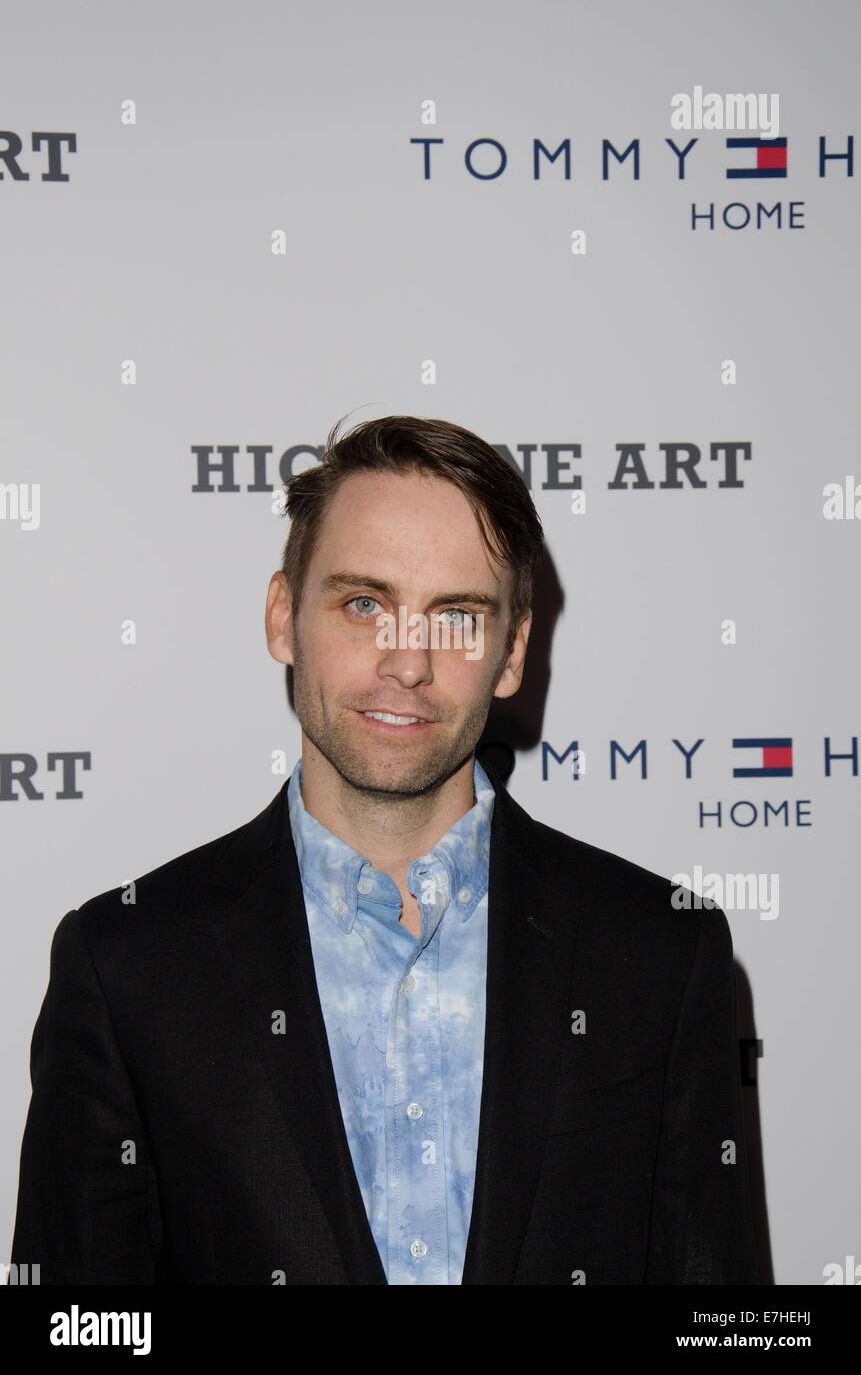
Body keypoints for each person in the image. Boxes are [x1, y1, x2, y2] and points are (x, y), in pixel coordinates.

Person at [10, 413, 760, 1284]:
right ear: (283, 618)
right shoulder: (127, 964)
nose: (407, 663)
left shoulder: (660, 953)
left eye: (457, 616)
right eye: (363, 604)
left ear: (511, 652)